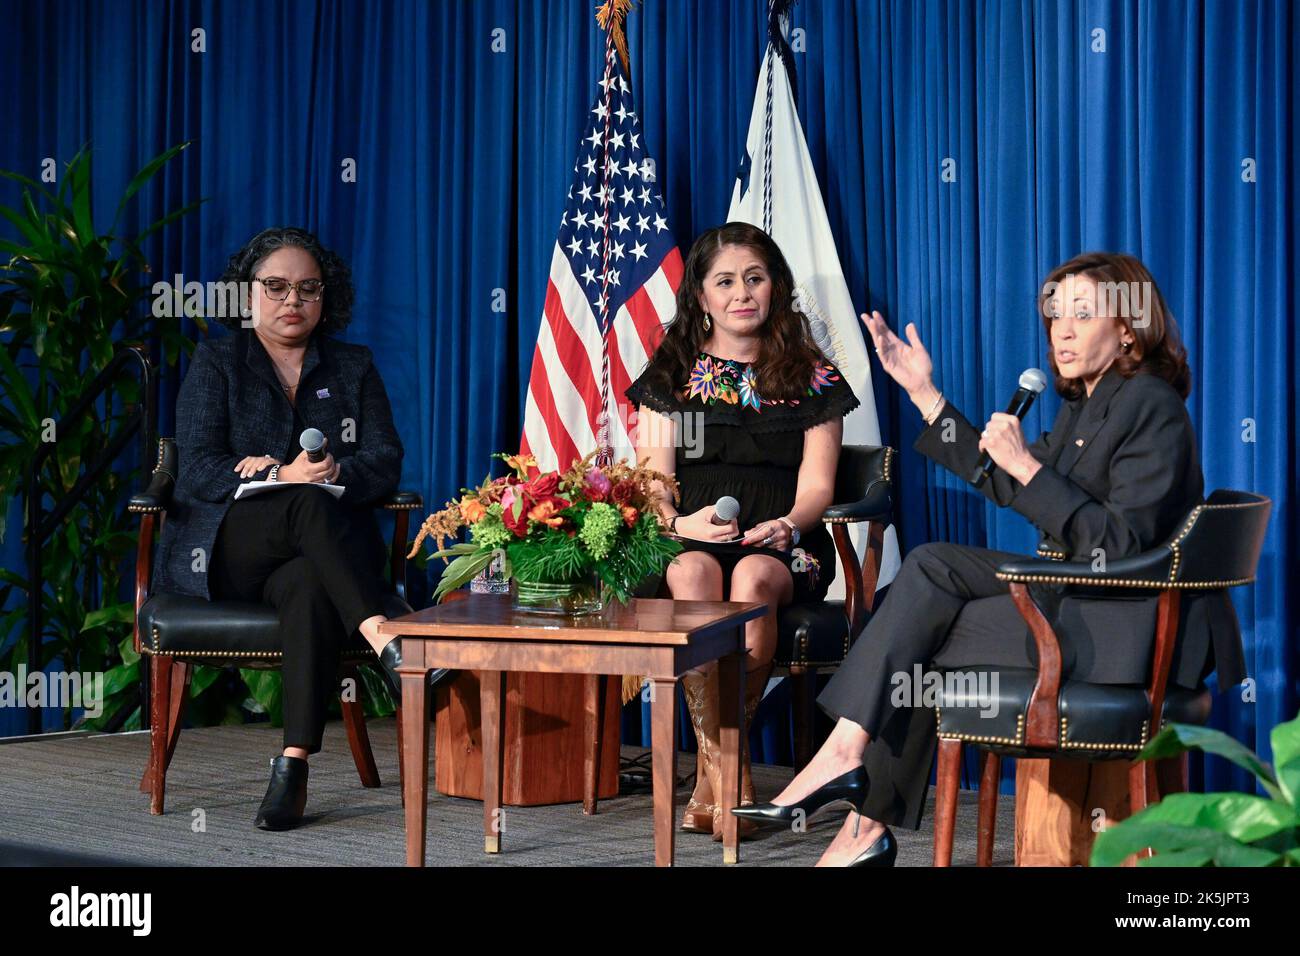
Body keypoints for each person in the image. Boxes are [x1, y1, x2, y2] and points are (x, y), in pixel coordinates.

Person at [732, 251, 1245, 866]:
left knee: (918, 634)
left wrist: (1028, 463)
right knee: (925, 575)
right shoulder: (1093, 403)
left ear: (1129, 328)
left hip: (1125, 628)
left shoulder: (1151, 406)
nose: (1064, 329)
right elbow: (1002, 479)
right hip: (1085, 603)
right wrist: (926, 396)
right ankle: (852, 802)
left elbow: (1122, 547)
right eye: (1056, 315)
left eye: (1084, 314)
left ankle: (853, 799)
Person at [155, 226, 424, 831]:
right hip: (227, 548)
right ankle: (386, 635)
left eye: (307, 288)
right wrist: (280, 472)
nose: (291, 300)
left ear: (325, 298)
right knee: (303, 503)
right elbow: (194, 469)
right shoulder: (218, 361)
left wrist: (336, 472)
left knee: (308, 580)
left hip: (313, 557)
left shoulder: (353, 367)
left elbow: (385, 460)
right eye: (275, 287)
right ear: (249, 294)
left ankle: (292, 766)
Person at [627, 222, 859, 840]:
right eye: (724, 281)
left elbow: (817, 487)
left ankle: (713, 782)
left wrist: (787, 525)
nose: (741, 293)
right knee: (692, 571)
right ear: (700, 297)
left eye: (754, 278)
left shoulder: (812, 376)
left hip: (782, 544)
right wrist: (680, 522)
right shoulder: (670, 374)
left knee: (754, 578)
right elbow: (654, 483)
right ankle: (733, 774)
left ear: (775, 287)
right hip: (688, 534)